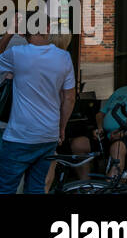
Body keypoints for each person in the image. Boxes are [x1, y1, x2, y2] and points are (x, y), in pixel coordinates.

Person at [0, 19, 75, 195]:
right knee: (36, 187)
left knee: (6, 188)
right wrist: (61, 128)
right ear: (48, 28)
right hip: (48, 133)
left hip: (20, 135)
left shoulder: (17, 53)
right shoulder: (64, 57)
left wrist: (9, 32)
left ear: (22, 32)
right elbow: (69, 97)